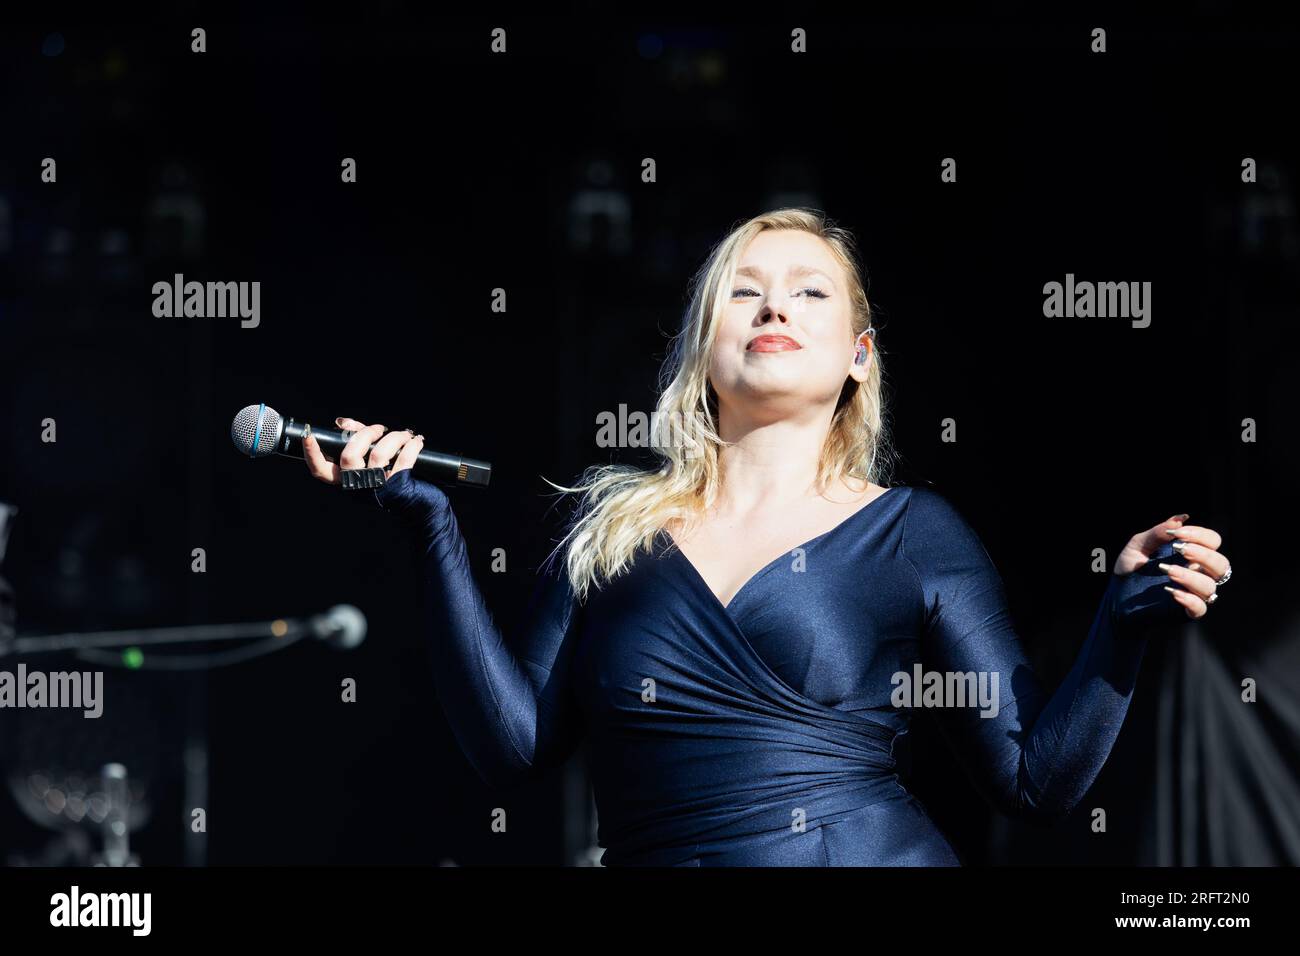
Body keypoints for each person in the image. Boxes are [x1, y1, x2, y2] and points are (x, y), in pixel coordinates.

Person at [302, 208, 1233, 866]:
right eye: (744, 292)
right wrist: (430, 533)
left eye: (809, 293)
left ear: (859, 359)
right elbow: (514, 751)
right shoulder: (609, 532)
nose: (775, 308)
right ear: (705, 347)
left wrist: (1122, 621)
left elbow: (1034, 782)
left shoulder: (913, 533)